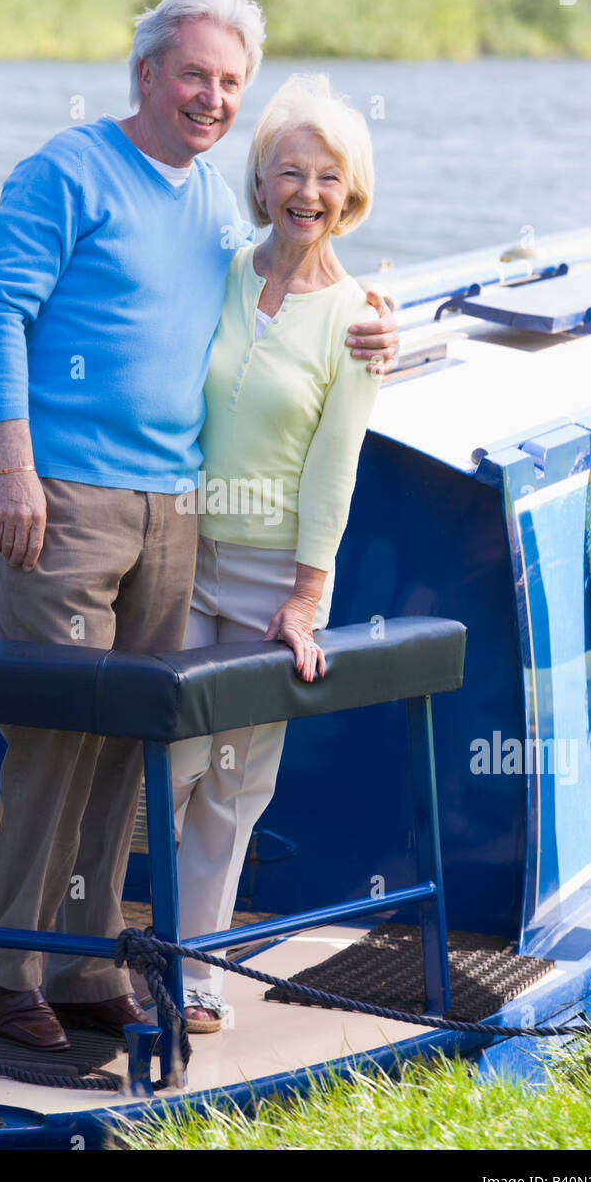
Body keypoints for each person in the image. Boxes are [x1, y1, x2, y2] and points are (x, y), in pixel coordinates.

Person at [0, 0, 398, 1052]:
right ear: (147, 70)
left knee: (130, 756)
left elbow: (295, 269)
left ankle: (86, 961)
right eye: (194, 74)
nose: (211, 96)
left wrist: (379, 319)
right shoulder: (66, 170)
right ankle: (7, 969)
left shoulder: (215, 200)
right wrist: (13, 468)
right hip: (64, 504)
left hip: (177, 515)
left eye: (229, 83)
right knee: (57, 742)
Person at [172, 74, 381, 1031]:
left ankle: (195, 975)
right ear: (259, 182)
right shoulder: (213, 270)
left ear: (350, 193)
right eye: (287, 170)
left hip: (271, 581)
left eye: (327, 176)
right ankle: (90, 964)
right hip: (176, 550)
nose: (306, 190)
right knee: (153, 769)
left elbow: (333, 474)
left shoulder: (358, 322)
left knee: (228, 785)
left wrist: (305, 598)